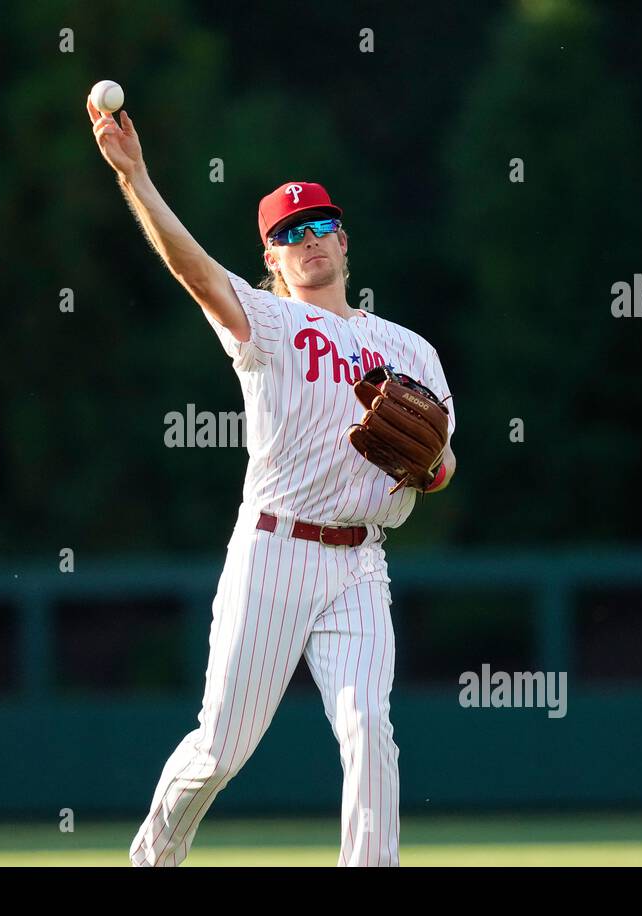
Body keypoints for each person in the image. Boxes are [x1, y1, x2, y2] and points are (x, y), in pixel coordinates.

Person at [88, 98, 456, 866]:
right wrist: (137, 179)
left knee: (369, 731)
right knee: (220, 749)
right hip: (275, 551)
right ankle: (153, 854)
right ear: (273, 261)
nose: (307, 238)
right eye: (287, 234)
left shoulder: (410, 348)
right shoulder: (266, 325)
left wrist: (429, 463)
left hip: (360, 561)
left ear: (344, 241)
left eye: (319, 224)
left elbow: (444, 464)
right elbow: (192, 269)